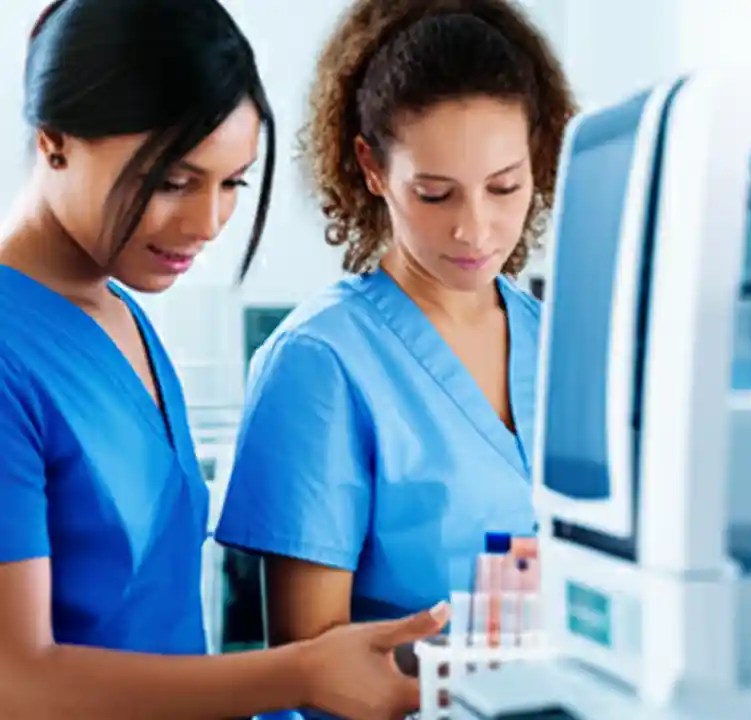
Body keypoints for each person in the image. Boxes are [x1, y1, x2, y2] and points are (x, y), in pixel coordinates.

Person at [0, 2, 447, 718]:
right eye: (174, 180)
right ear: (54, 141)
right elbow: (14, 682)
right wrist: (299, 674)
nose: (207, 222)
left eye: (233, 181)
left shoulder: (121, 316)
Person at [213, 0, 574, 697]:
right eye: (435, 194)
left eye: (505, 187)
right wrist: (492, 697)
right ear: (371, 168)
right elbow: (315, 669)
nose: (476, 230)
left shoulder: (558, 344)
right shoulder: (321, 363)